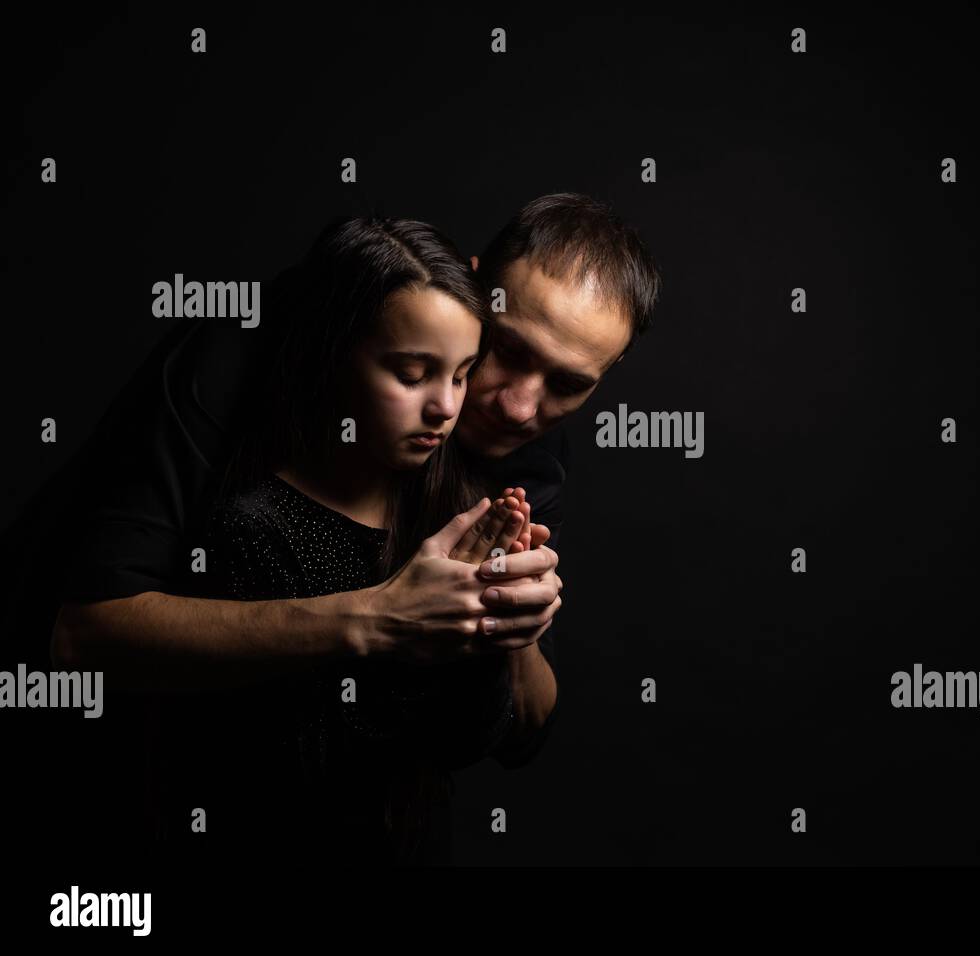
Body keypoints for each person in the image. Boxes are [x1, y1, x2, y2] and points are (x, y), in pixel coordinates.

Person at [42, 192, 662, 858]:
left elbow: (518, 736)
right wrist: (375, 619)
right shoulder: (240, 363)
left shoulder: (529, 459)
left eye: (568, 384)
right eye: (506, 349)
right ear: (475, 287)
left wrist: (517, 631)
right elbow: (84, 637)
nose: (517, 406)